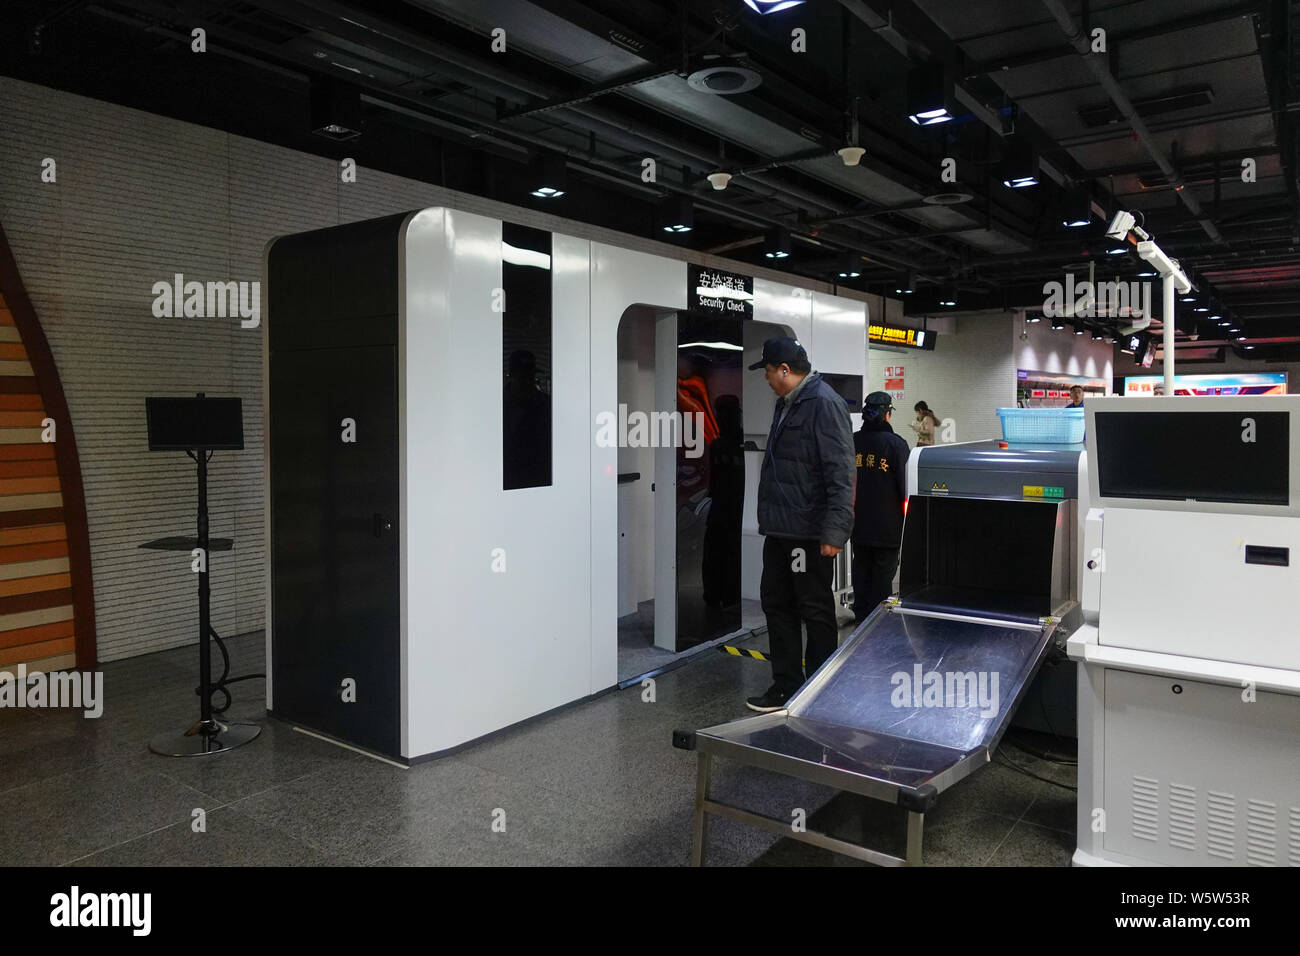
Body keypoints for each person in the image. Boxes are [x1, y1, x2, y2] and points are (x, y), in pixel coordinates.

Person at [745, 337, 855, 713]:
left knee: (814, 608)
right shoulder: (788, 404)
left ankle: (820, 687)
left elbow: (841, 472)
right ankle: (786, 686)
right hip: (781, 529)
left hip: (807, 533)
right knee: (777, 604)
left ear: (785, 370)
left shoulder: (823, 404)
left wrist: (835, 531)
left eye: (768, 371)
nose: (766, 379)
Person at [851, 393, 909, 624]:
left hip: (858, 527)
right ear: (888, 414)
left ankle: (858, 625)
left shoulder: (852, 441)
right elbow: (906, 488)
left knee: (861, 577)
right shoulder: (896, 445)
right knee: (882, 583)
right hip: (887, 529)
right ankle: (876, 629)